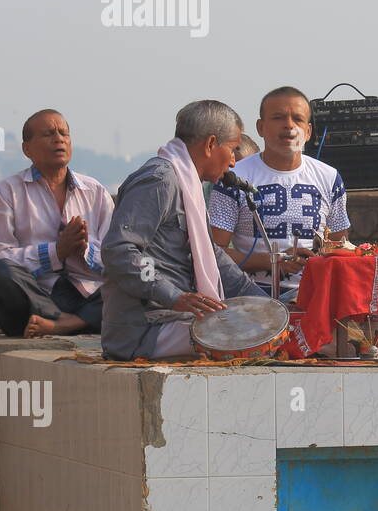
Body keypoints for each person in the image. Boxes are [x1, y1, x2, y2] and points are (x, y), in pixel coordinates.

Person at [101, 101, 265, 360]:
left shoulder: (188, 184)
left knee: (274, 330)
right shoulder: (160, 180)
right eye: (232, 149)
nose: (233, 162)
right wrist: (173, 296)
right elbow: (119, 250)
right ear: (211, 144)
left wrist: (267, 305)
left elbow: (214, 257)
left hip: (178, 321)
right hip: (147, 329)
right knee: (253, 341)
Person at [0, 109, 114, 337]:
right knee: (0, 274)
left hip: (88, 296)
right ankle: (69, 321)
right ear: (27, 149)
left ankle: (66, 324)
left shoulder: (96, 192)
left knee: (137, 277)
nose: (59, 139)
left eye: (64, 133)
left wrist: (85, 251)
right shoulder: (7, 192)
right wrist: (56, 252)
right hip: (34, 298)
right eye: (49, 134)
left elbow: (115, 255)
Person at [208, 87, 349, 302]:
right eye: (278, 117)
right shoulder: (233, 178)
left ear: (309, 131)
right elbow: (213, 252)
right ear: (260, 127)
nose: (289, 126)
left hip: (314, 296)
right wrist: (271, 261)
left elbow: (342, 247)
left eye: (298, 119)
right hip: (251, 297)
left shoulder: (329, 178)